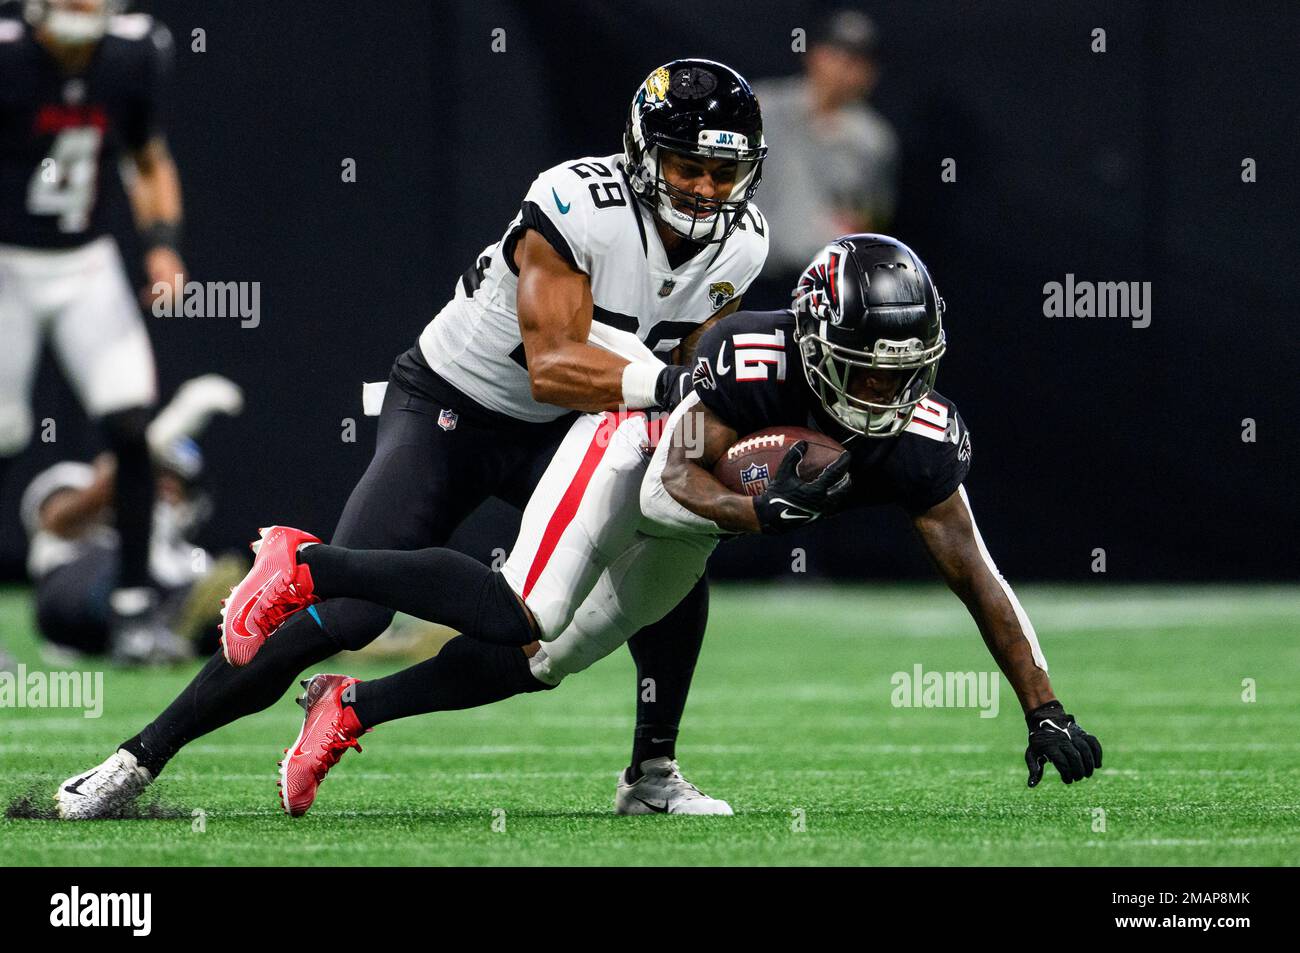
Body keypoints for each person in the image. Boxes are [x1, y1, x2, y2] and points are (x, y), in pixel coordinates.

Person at [168, 235, 1102, 818]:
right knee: (522, 607)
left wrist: (1044, 705)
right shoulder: (749, 356)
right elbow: (685, 477)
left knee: (544, 663)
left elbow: (977, 575)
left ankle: (351, 709)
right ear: (816, 344)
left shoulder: (922, 440)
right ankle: (309, 561)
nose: (884, 396)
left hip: (699, 530)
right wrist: (754, 508)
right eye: (863, 371)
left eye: (903, 373)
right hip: (633, 460)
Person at [55, 59, 770, 819]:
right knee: (353, 615)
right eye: (688, 167)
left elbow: (690, 360)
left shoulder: (744, 244)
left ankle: (651, 773)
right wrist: (670, 387)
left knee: (668, 549)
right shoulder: (577, 204)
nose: (705, 189)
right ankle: (137, 758)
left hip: (572, 429)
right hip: (454, 407)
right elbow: (556, 365)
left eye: (725, 174)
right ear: (642, 154)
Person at [0, 0, 186, 656]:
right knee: (3, 434)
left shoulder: (133, 54)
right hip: (7, 263)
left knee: (131, 422)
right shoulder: (9, 54)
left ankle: (134, 609)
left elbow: (148, 156)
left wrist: (161, 244)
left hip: (85, 262)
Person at [21, 375, 244, 663]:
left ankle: (169, 628)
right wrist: (170, 428)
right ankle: (160, 622)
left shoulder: (188, 560)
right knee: (126, 563)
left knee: (227, 588)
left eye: (173, 483)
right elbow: (58, 519)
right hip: (70, 600)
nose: (162, 489)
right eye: (154, 475)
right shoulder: (80, 482)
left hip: (144, 605)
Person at [753, 9, 899, 284]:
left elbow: (874, 218)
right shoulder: (761, 106)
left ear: (870, 74)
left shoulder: (873, 140)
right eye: (836, 55)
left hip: (817, 282)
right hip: (743, 270)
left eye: (856, 62)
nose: (843, 70)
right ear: (813, 55)